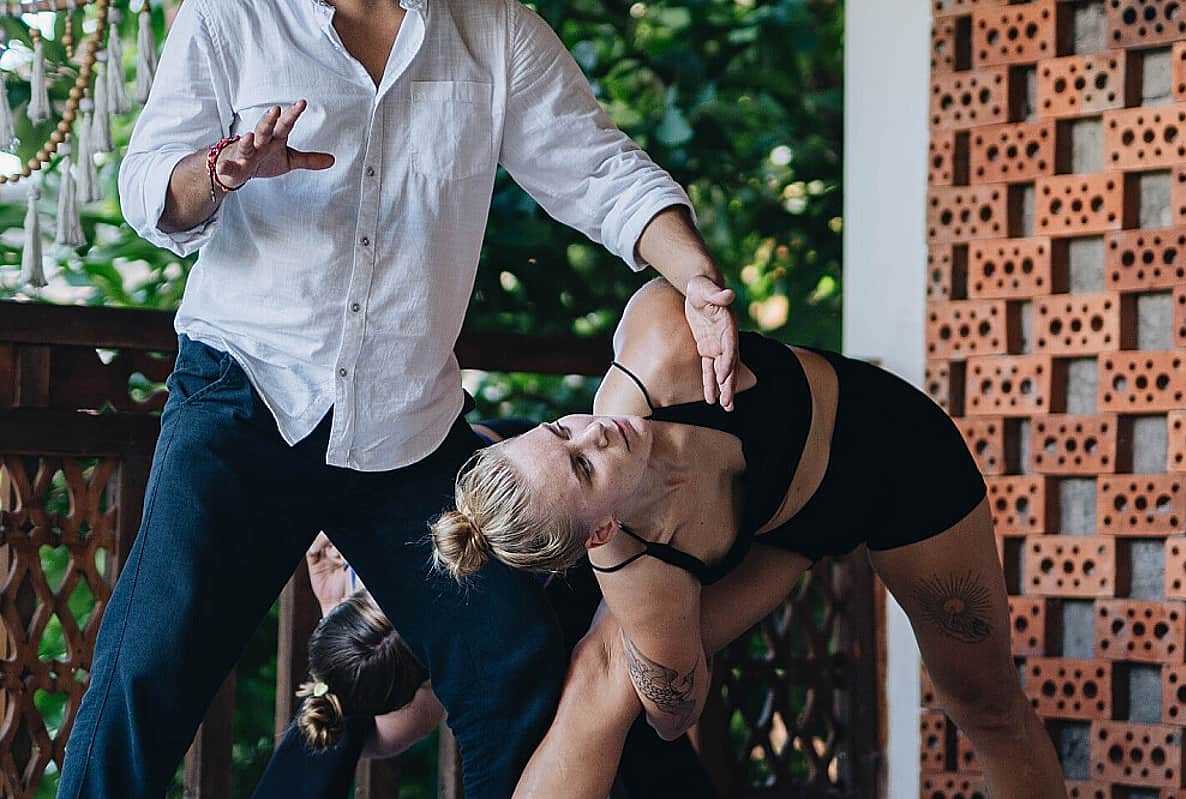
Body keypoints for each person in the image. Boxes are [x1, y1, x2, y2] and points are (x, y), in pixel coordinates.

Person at [57, 0, 740, 795]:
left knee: (508, 658)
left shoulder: (498, 31)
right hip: (245, 398)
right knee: (148, 668)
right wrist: (218, 169)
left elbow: (598, 170)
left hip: (407, 430)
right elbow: (148, 188)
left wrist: (694, 275)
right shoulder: (231, 13)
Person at [431, 278, 1069, 799]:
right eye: (582, 466)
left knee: (984, 704)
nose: (592, 433)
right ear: (599, 531)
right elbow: (675, 715)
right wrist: (664, 657)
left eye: (559, 430)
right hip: (786, 537)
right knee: (603, 679)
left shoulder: (660, 347)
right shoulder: (641, 573)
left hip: (895, 455)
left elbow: (687, 270)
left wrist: (654, 650)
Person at [253, 421, 720, 797]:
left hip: (562, 529)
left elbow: (381, 730)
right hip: (565, 541)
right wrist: (332, 608)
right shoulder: (368, 570)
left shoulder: (467, 661)